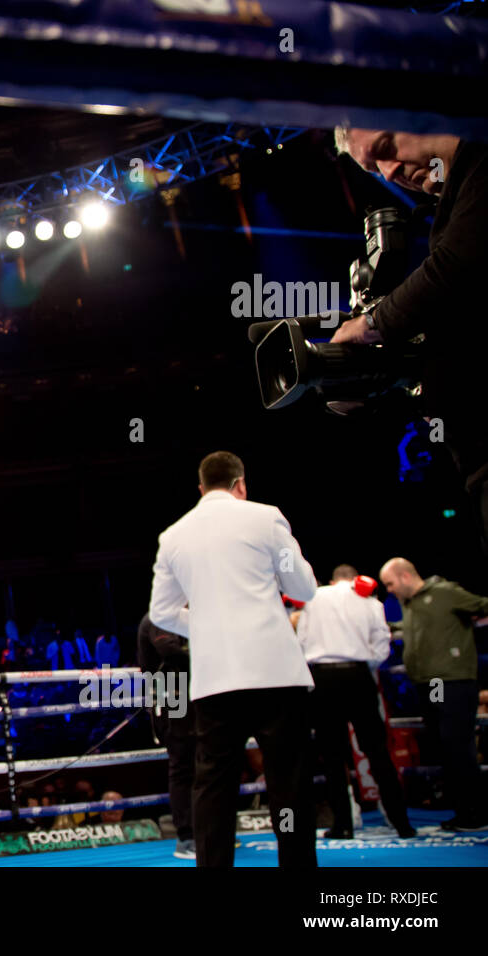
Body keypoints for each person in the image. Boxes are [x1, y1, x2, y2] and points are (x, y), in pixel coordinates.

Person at [149, 451, 319, 867]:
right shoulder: (266, 516)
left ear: (201, 488)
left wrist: (208, 626)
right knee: (289, 785)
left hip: (216, 679)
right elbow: (304, 589)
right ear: (240, 484)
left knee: (213, 787)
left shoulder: (173, 535)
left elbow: (162, 614)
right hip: (276, 673)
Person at [332, 127, 488, 558]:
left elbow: (459, 265)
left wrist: (373, 323)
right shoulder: (451, 205)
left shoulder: (481, 165)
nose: (389, 171)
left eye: (386, 149)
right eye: (373, 167)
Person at [294, 564, 415, 838]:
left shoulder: (313, 596)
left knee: (334, 757)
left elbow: (302, 642)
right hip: (358, 676)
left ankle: (343, 826)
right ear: (352, 578)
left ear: (333, 580)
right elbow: (382, 642)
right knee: (377, 751)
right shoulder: (368, 599)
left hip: (322, 679)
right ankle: (402, 824)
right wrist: (365, 665)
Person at [379, 557, 488, 831]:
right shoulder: (410, 605)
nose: (389, 590)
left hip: (450, 680)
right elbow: (417, 631)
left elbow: (482, 606)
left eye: (390, 583)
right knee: (443, 746)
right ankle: (463, 812)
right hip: (426, 683)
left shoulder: (445, 592)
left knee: (457, 744)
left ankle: (476, 813)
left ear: (404, 576)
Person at [137, 610, 198, 859]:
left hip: (193, 692)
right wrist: (211, 656)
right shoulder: (157, 617)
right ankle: (186, 837)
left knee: (203, 764)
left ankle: (205, 827)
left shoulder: (187, 616)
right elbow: (171, 653)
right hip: (171, 695)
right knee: (183, 765)